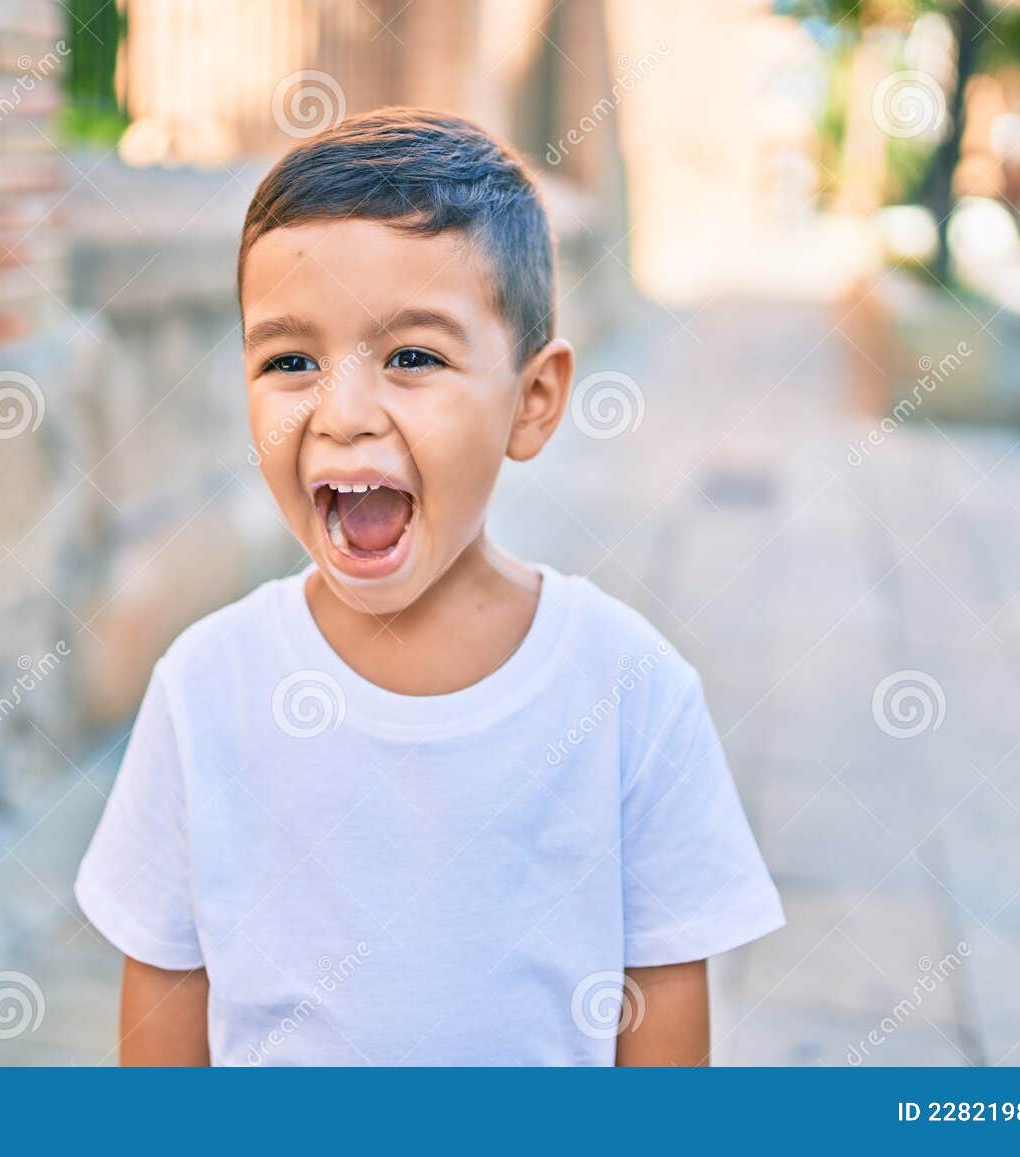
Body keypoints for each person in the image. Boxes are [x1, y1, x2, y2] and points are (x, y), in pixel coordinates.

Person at [74, 108, 783, 1066]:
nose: (344, 413)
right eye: (290, 361)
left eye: (413, 357)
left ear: (532, 401)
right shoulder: (205, 687)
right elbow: (164, 1007)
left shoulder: (630, 692)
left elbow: (664, 1027)